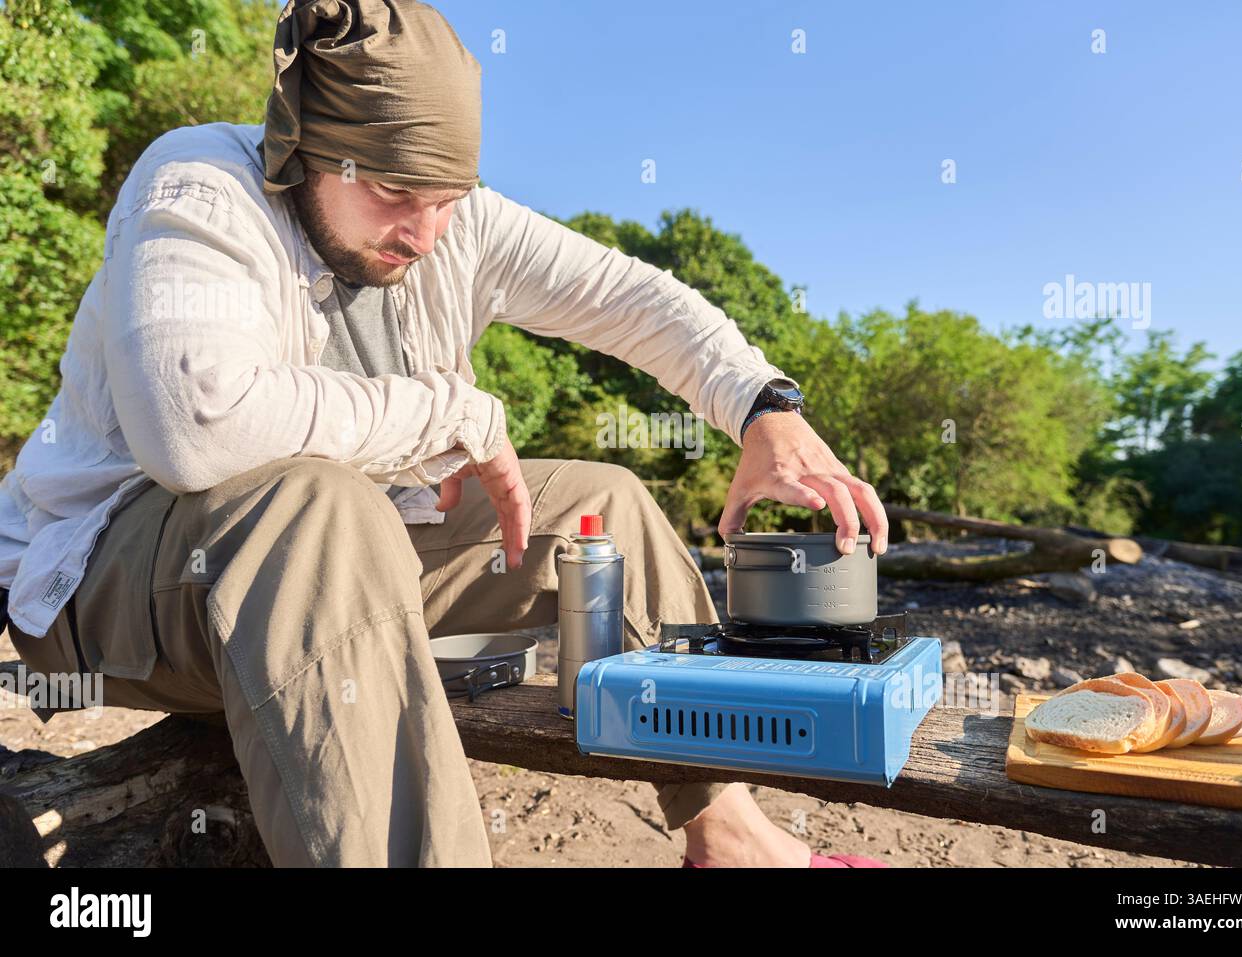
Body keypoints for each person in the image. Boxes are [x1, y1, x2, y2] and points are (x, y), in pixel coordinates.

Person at [0, 0, 888, 867]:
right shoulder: (199, 184)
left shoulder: (454, 227)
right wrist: (450, 411)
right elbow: (192, 427)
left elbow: (634, 299)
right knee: (320, 503)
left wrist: (765, 407)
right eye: (394, 193)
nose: (425, 234)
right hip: (110, 587)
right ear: (307, 145)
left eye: (449, 199)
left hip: (337, 580)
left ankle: (727, 831)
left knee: (600, 507)